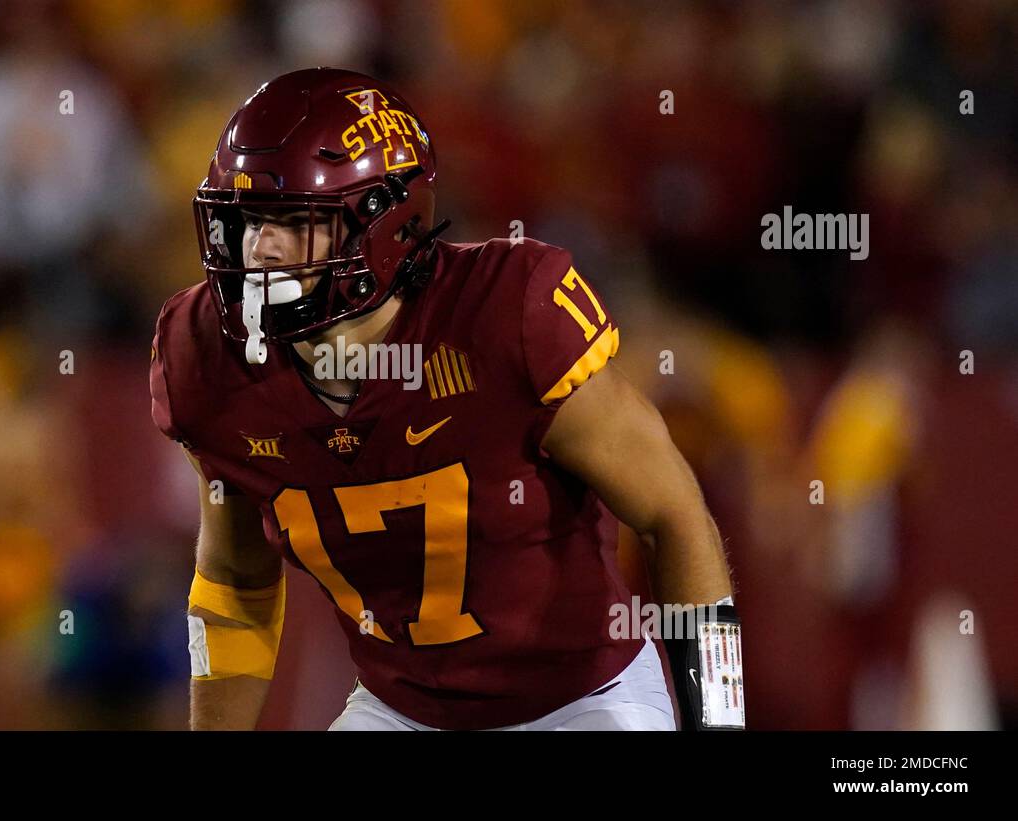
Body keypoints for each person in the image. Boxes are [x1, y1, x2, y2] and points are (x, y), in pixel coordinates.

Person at [150, 68, 739, 730]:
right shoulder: (207, 354)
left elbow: (673, 512)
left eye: (292, 221)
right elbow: (235, 579)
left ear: (383, 223)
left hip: (582, 699)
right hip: (400, 710)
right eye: (247, 220)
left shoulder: (505, 316)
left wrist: (718, 721)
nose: (259, 250)